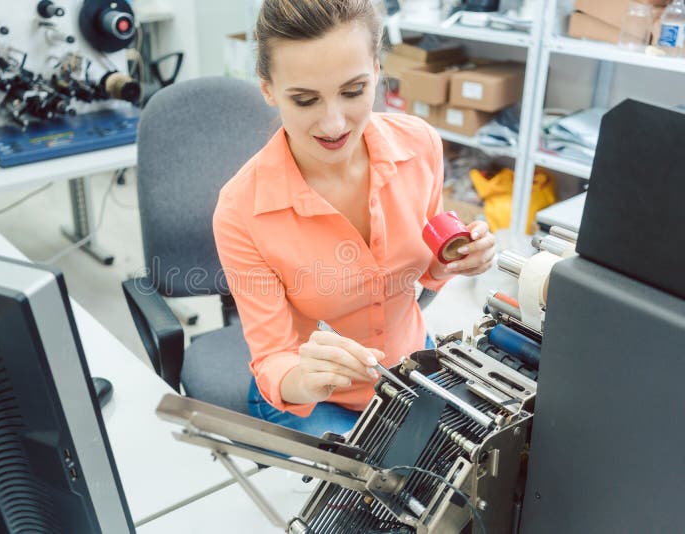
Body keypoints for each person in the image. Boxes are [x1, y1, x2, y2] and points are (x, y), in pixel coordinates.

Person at [213, 0, 496, 437]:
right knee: (362, 494)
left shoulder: (419, 146)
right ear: (268, 89)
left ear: (378, 70)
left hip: (409, 369)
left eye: (353, 91)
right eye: (305, 100)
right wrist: (306, 379)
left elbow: (429, 271)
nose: (333, 123)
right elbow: (273, 360)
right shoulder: (241, 211)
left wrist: (459, 255)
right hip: (316, 402)